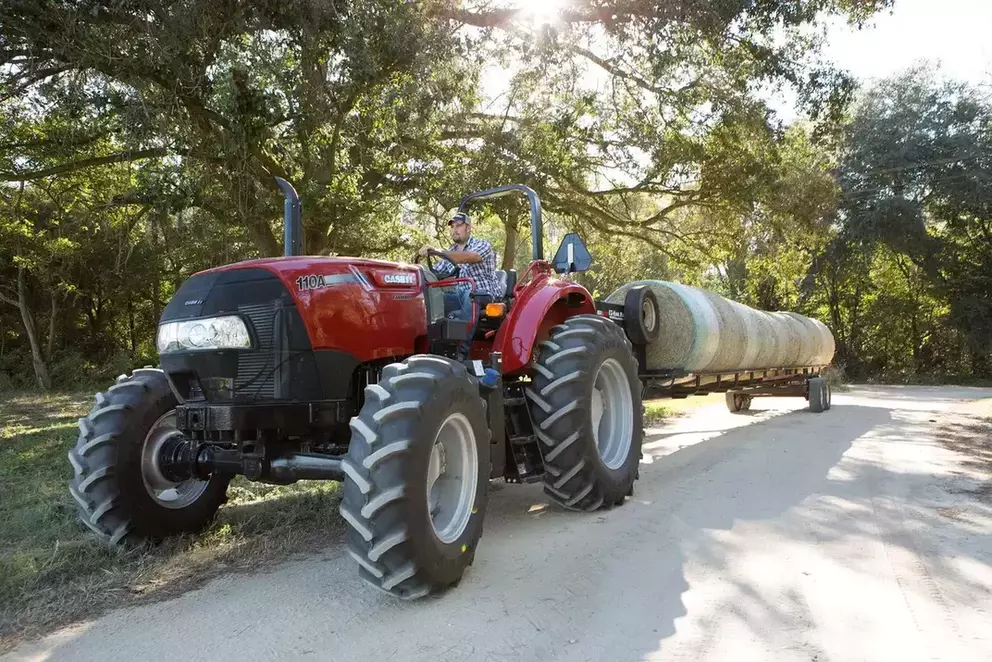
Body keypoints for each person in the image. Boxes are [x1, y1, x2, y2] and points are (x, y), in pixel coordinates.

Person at [418, 211, 505, 359]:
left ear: (469, 228)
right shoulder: (450, 251)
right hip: (459, 293)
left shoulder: (482, 245)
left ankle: (460, 352)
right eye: (452, 227)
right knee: (432, 299)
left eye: (459, 226)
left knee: (469, 295)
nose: (455, 229)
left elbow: (470, 257)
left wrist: (437, 252)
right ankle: (430, 347)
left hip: (484, 293)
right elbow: (437, 272)